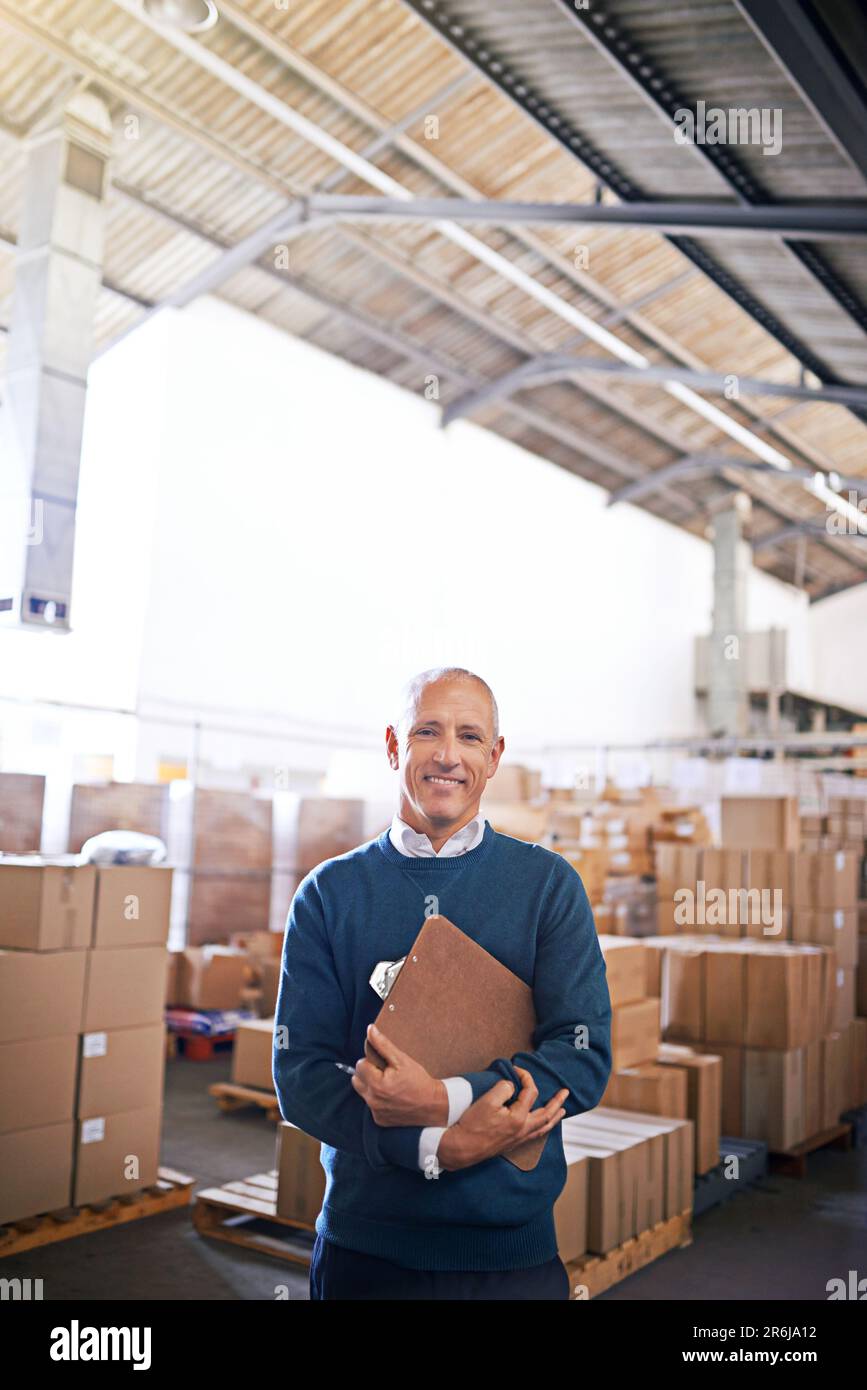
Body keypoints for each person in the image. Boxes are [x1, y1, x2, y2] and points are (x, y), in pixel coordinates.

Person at [273, 666, 612, 1300]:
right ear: (394, 745)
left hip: (509, 1258)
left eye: (470, 736)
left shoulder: (547, 887)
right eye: (427, 731)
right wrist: (435, 1149)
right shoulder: (328, 895)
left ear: (495, 756)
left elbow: (581, 1057)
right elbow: (301, 1078)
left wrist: (442, 1101)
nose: (448, 755)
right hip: (366, 1255)